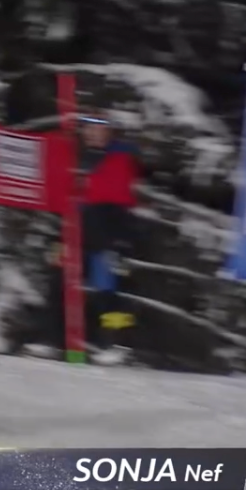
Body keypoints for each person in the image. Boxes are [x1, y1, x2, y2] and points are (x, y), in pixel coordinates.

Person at [77, 113, 139, 364]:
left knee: (108, 289)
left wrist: (116, 241)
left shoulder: (120, 157)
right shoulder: (83, 157)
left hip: (109, 232)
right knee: (71, 283)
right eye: (88, 129)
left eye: (98, 129)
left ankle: (116, 343)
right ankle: (64, 340)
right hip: (88, 230)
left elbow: (111, 197)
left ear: (110, 132)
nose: (92, 134)